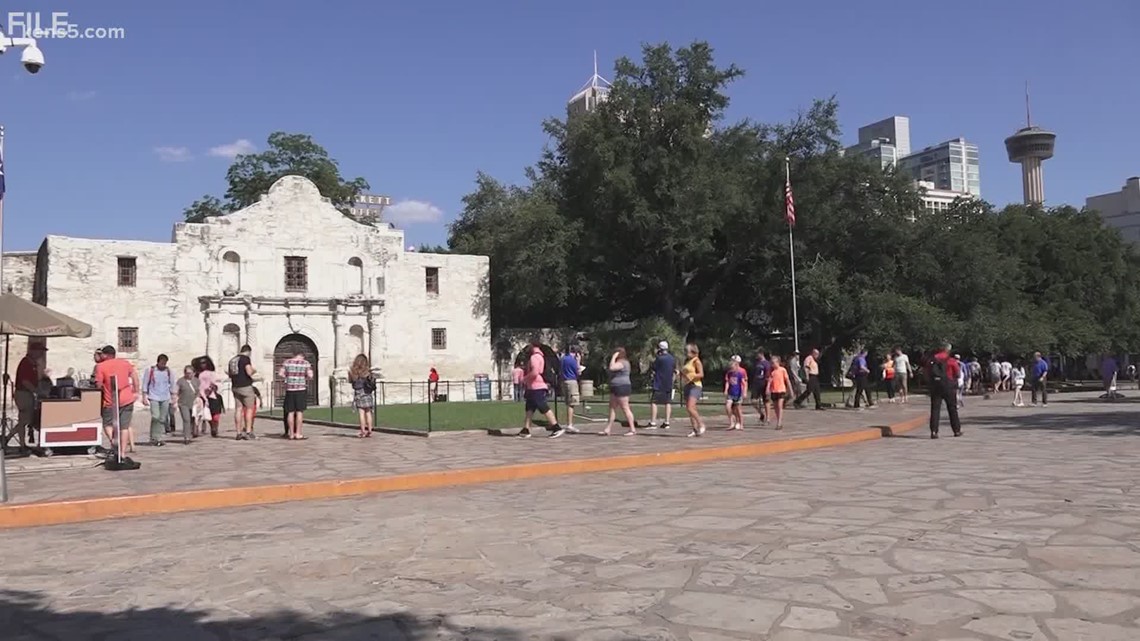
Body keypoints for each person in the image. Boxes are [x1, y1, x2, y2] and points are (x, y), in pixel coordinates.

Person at [94, 345, 141, 454]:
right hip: (127, 398)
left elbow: (98, 384)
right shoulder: (125, 363)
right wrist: (136, 392)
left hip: (110, 400)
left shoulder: (100, 366)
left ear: (105, 355)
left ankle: (114, 442)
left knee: (107, 424)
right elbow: (135, 377)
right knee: (124, 427)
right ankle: (122, 452)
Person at [519, 343, 563, 439]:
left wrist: (524, 379)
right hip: (532, 386)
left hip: (536, 386)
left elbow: (535, 372)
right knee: (529, 408)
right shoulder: (540, 356)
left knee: (542, 406)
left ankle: (556, 427)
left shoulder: (534, 357)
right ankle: (525, 429)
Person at [925, 343, 962, 439]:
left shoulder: (932, 360)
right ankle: (956, 430)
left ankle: (934, 431)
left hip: (936, 387)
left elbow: (927, 373)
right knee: (952, 409)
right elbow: (957, 374)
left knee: (935, 409)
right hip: (948, 386)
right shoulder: (951, 360)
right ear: (948, 350)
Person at [12, 343, 45, 448]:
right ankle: (17, 442)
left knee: (25, 420)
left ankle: (15, 441)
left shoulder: (32, 363)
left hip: (27, 394)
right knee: (24, 420)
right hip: (23, 394)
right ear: (33, 351)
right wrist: (36, 391)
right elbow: (25, 381)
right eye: (40, 351)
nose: (41, 354)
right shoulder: (26, 363)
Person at [141, 354, 176, 447]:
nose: (163, 365)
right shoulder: (151, 370)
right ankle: (153, 436)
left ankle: (159, 437)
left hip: (165, 397)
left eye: (165, 363)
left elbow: (172, 384)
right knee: (155, 416)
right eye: (162, 363)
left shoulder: (169, 371)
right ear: (158, 362)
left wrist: (173, 397)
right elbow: (145, 383)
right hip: (154, 396)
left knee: (162, 418)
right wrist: (144, 396)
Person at [601, 348, 637, 437]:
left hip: (622, 387)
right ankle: (608, 428)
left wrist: (614, 357)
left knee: (625, 407)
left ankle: (632, 429)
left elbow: (612, 367)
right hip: (615, 386)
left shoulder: (623, 363)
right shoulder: (619, 362)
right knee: (612, 407)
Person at [279, 349, 314, 440]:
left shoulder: (287, 362)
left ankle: (291, 434)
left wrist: (288, 377)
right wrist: (304, 378)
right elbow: (310, 375)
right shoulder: (305, 363)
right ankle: (298, 433)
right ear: (302, 355)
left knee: (290, 412)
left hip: (290, 389)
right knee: (299, 411)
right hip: (301, 389)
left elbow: (280, 374)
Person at [228, 344, 258, 441]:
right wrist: (254, 371)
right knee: (249, 409)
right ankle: (248, 432)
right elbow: (249, 372)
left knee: (238, 409)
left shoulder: (232, 360)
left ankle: (238, 433)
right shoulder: (245, 359)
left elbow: (230, 374)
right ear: (248, 352)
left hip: (235, 386)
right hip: (245, 386)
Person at [647, 341, 677, 429]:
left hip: (659, 383)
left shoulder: (659, 359)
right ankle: (667, 422)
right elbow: (674, 369)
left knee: (654, 402)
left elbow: (654, 368)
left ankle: (653, 422)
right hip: (668, 383)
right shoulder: (672, 358)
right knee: (667, 402)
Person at [681, 343, 707, 437]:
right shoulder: (687, 361)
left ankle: (701, 424)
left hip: (695, 385)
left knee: (690, 407)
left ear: (693, 352)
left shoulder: (696, 361)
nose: (686, 353)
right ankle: (695, 429)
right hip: (687, 385)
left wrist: (692, 376)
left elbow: (701, 374)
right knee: (691, 409)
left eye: (687, 351)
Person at [195, 356, 223, 438]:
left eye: (204, 363)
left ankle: (214, 428)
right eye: (201, 363)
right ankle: (196, 429)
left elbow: (215, 383)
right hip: (201, 395)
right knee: (200, 413)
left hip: (212, 395)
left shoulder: (212, 373)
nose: (202, 365)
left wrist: (211, 389)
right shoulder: (197, 374)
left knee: (214, 413)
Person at [349, 354, 376, 438]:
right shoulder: (367, 372)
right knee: (368, 412)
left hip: (359, 393)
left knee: (361, 412)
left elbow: (351, 382)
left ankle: (363, 431)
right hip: (367, 392)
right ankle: (370, 430)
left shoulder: (353, 372)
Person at [559, 346, 582, 432]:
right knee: (571, 404)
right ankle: (569, 424)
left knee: (568, 403)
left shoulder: (563, 359)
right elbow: (578, 372)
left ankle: (569, 423)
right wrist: (578, 362)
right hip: (572, 381)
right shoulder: (573, 360)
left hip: (564, 381)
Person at [175, 365, 200, 443]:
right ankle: (187, 437)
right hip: (183, 403)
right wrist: (174, 401)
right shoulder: (180, 381)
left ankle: (193, 432)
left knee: (193, 419)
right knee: (186, 419)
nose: (188, 375)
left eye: (190, 373)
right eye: (187, 373)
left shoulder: (197, 381)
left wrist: (199, 399)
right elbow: (176, 392)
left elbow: (199, 391)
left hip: (194, 404)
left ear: (194, 373)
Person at [723, 355, 748, 431]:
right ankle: (732, 422)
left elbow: (744, 383)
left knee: (738, 409)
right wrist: (726, 390)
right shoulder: (729, 373)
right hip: (730, 393)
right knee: (728, 406)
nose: (731, 369)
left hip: (738, 393)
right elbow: (727, 382)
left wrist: (744, 392)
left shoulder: (740, 373)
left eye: (732, 367)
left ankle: (741, 423)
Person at [767, 354, 791, 430]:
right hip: (774, 391)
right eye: (771, 363)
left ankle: (779, 422)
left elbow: (787, 380)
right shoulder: (772, 372)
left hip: (781, 390)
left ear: (778, 362)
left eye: (774, 363)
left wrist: (790, 389)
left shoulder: (783, 370)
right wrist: (767, 389)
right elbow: (769, 381)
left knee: (780, 405)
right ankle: (778, 419)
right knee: (775, 407)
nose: (772, 365)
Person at [751, 350, 772, 424]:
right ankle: (761, 413)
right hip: (756, 383)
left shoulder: (766, 363)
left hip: (764, 383)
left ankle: (768, 418)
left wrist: (768, 386)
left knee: (766, 400)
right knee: (753, 401)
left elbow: (768, 375)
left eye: (757, 354)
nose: (756, 356)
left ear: (761, 354)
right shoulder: (756, 363)